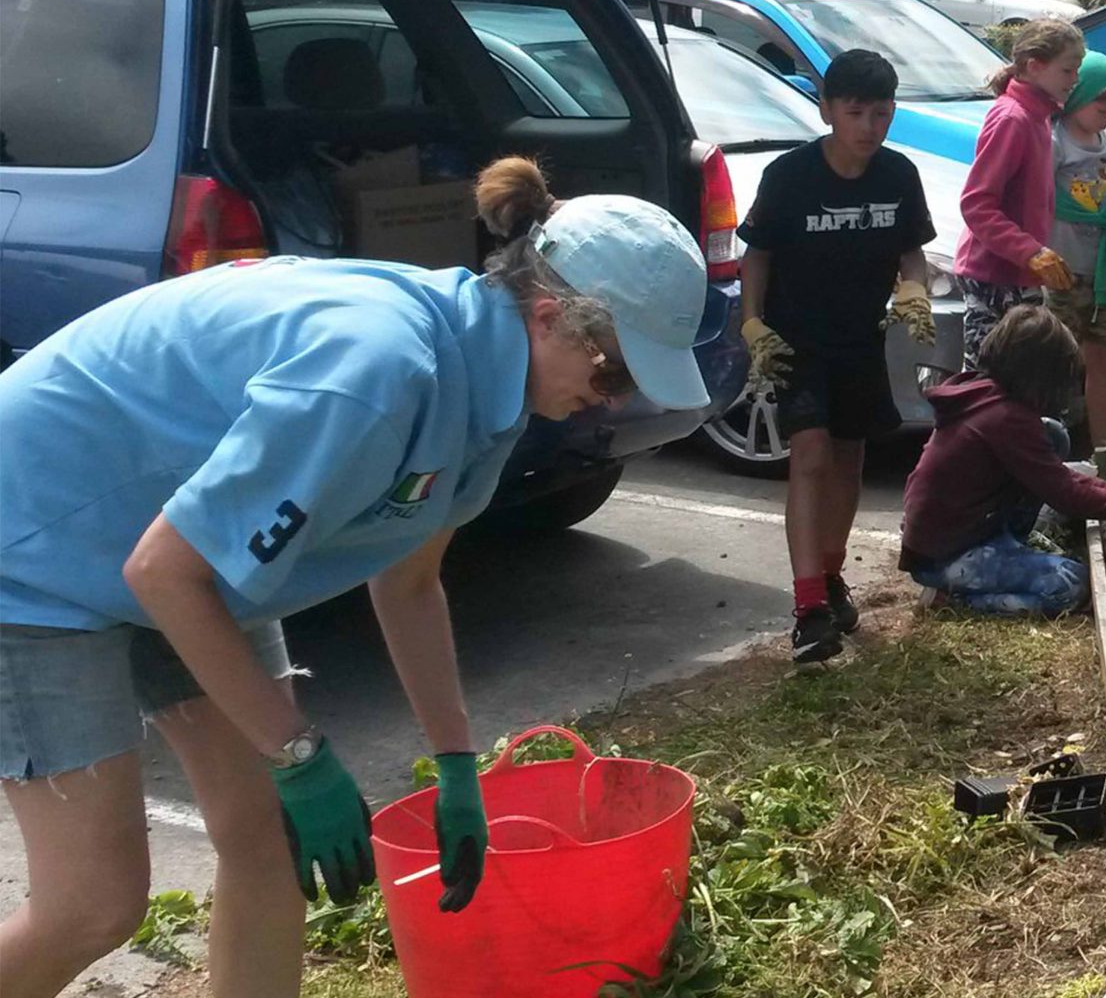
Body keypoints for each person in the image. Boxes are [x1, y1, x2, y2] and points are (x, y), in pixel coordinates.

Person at [0, 157, 711, 997]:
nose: (615, 402)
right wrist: (299, 754)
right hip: (35, 548)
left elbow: (409, 584)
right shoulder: (379, 374)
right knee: (94, 903)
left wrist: (455, 763)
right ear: (552, 318)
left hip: (179, 551)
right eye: (617, 373)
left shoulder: (487, 397)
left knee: (267, 835)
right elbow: (163, 573)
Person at [739, 48, 938, 666]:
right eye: (856, 112)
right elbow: (758, 256)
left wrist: (914, 290)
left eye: (881, 113)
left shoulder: (899, 175)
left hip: (860, 339)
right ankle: (807, 609)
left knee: (850, 458)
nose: (868, 126)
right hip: (796, 338)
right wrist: (750, 323)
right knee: (811, 452)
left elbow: (912, 252)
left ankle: (829, 575)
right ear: (827, 110)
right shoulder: (788, 176)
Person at [899, 305, 1106, 615]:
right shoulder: (1005, 419)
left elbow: (1053, 473)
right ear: (1041, 376)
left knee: (1052, 435)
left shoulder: (988, 394)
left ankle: (1007, 546)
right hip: (945, 553)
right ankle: (954, 600)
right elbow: (1067, 495)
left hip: (964, 528)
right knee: (1070, 585)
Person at [955, 19, 1086, 368]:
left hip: (1020, 273)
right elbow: (977, 204)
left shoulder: (1039, 115)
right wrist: (1030, 252)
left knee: (1024, 379)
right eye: (1068, 70)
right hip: (993, 275)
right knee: (987, 383)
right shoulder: (1013, 118)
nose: (1075, 80)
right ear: (1034, 67)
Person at [1049, 50, 1106, 457]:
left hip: (1105, 269)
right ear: (1077, 96)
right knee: (1058, 361)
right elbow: (1041, 198)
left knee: (1103, 355)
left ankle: (1102, 448)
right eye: (1102, 106)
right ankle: (1054, 447)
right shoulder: (1055, 141)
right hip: (1064, 269)